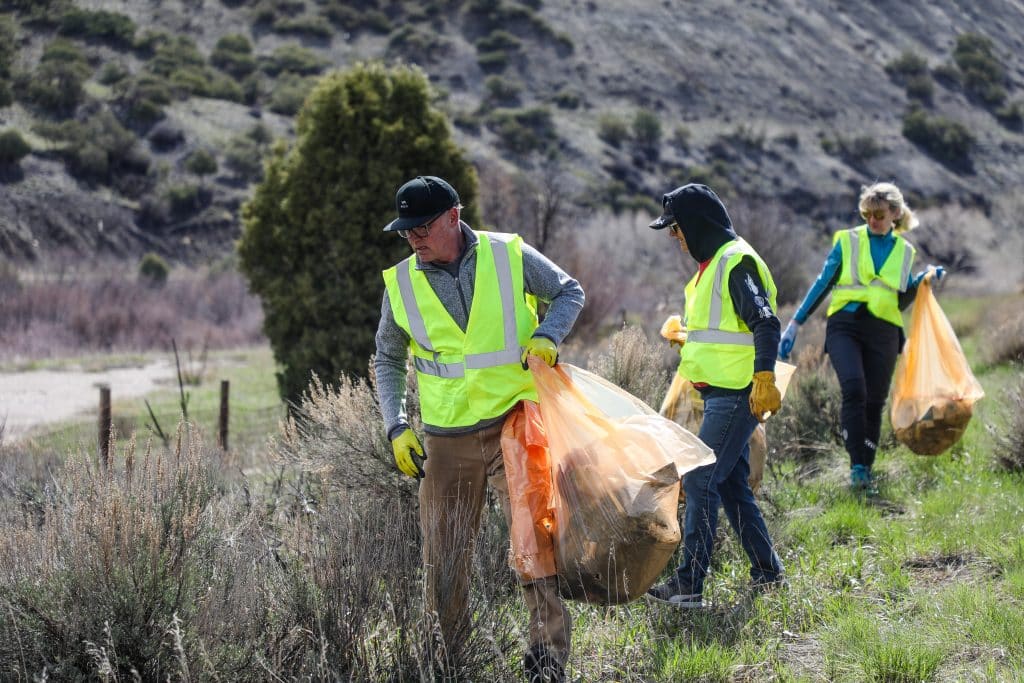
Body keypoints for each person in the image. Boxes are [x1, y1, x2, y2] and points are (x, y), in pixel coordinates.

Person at [374, 175, 584, 682]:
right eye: (406, 231)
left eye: (422, 227)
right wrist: (396, 425)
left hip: (514, 419)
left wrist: (548, 338)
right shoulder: (401, 283)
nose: (415, 239)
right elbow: (387, 356)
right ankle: (446, 660)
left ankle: (545, 661)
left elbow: (568, 293)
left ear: (454, 216)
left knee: (533, 539)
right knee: (443, 555)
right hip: (446, 439)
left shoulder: (507, 254)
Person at [645, 183, 785, 608]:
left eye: (677, 228)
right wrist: (686, 337)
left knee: (702, 476)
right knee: (729, 487)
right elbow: (726, 333)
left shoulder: (735, 261)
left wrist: (764, 377)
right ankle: (769, 572)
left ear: (696, 225)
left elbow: (765, 323)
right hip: (722, 390)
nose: (675, 237)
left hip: (739, 392)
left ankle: (689, 586)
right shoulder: (713, 265)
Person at [778, 182, 945, 494]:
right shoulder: (848, 241)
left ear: (895, 214)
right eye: (867, 214)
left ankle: (866, 470)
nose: (872, 220)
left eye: (879, 214)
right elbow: (823, 282)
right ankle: (856, 466)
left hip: (883, 331)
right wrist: (795, 324)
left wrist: (923, 280)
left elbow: (899, 299)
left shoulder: (905, 251)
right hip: (845, 326)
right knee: (854, 388)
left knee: (874, 401)